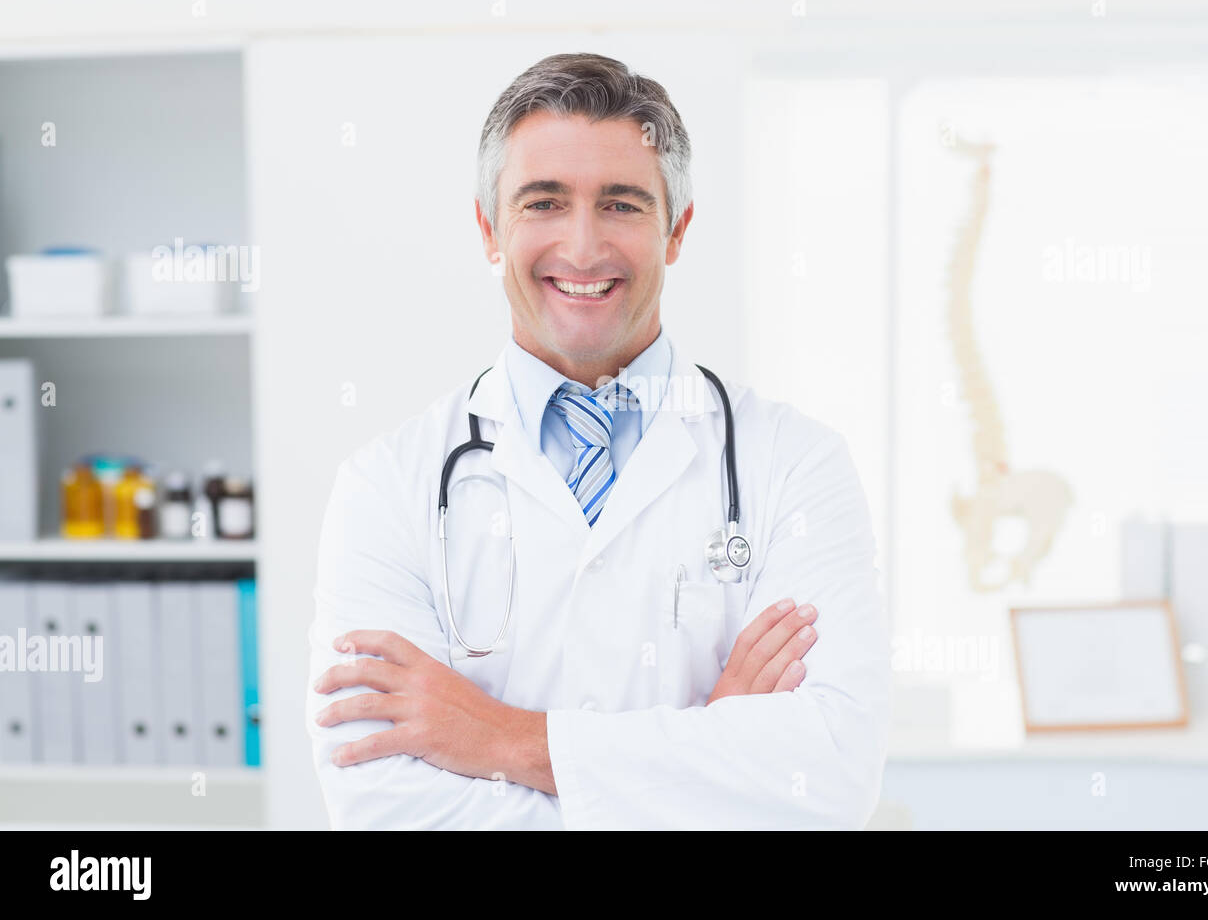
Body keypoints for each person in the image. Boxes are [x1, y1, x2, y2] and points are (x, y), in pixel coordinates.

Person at [306, 52, 890, 829]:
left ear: (677, 229)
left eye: (620, 205)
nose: (582, 248)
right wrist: (708, 751)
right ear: (489, 228)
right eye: (544, 203)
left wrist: (497, 738)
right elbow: (384, 806)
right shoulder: (385, 487)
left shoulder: (796, 466)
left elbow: (827, 780)